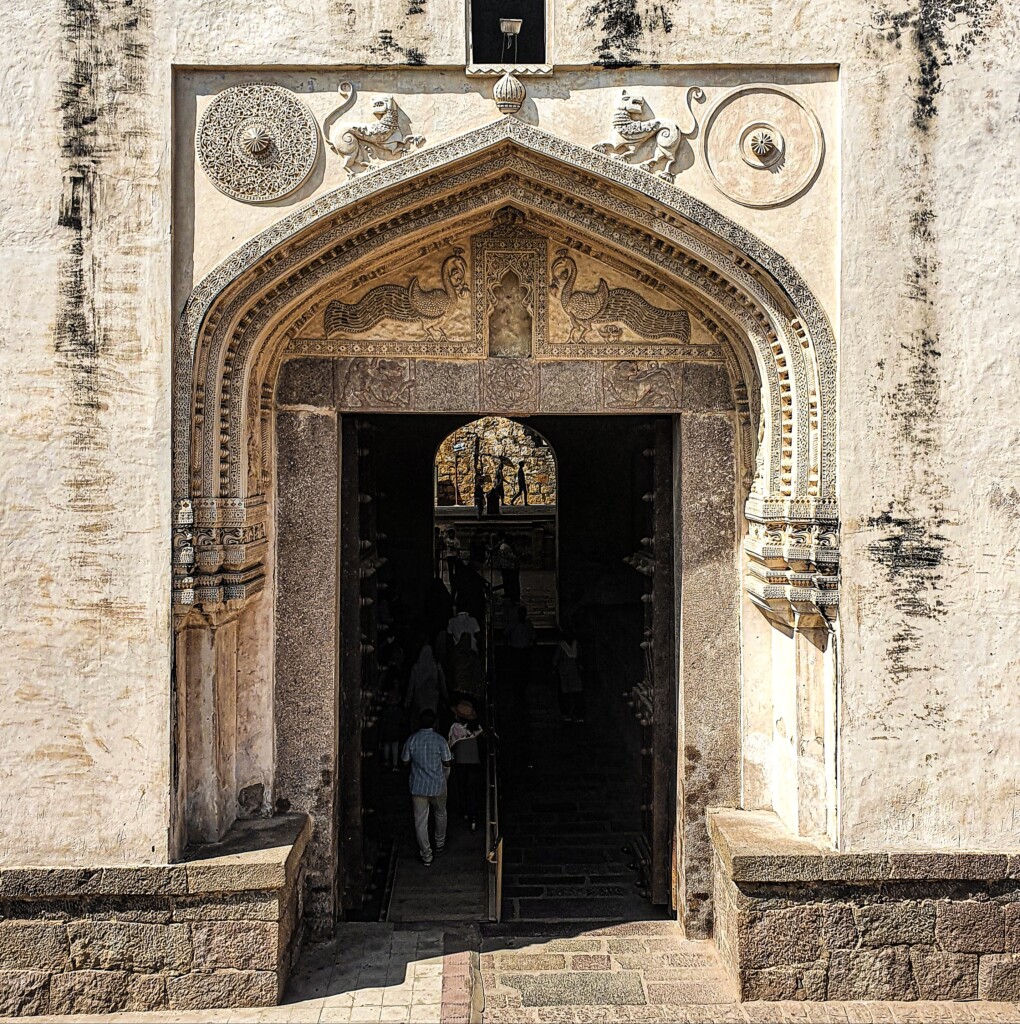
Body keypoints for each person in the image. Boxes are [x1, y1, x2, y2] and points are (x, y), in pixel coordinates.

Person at [401, 709, 453, 866]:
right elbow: (447, 762)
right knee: (441, 814)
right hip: (437, 785)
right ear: (435, 723)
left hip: (418, 786)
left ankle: (426, 855)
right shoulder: (440, 740)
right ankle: (440, 844)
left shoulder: (412, 740)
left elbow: (404, 761)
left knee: (420, 821)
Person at [448, 701, 484, 832]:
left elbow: (450, 745)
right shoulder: (477, 728)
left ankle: (465, 812)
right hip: (475, 763)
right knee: (473, 790)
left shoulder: (455, 728)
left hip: (461, 763)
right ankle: (473, 816)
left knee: (462, 789)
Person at [404, 641, 448, 724]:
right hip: (434, 697)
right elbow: (443, 683)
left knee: (419, 720)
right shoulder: (436, 666)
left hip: (419, 697)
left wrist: (407, 701)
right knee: (432, 719)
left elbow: (411, 685)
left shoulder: (416, 667)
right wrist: (446, 696)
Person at [504, 604, 535, 706]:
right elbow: (506, 633)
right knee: (516, 671)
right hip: (516, 650)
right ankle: (517, 690)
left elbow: (533, 636)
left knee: (524, 671)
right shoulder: (513, 624)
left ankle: (522, 688)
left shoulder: (528, 624)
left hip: (525, 650)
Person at [553, 629, 584, 723]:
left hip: (573, 672)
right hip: (565, 672)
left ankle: (577, 712)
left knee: (576, 693)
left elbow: (580, 656)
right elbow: (556, 659)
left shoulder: (576, 644)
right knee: (565, 692)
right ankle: (566, 712)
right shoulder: (562, 646)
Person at [378, 685, 403, 772]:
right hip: (395, 731)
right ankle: (394, 765)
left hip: (387, 731)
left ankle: (386, 761)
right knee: (394, 748)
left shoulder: (385, 711)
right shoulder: (398, 711)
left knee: (387, 746)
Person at [495, 533, 520, 605]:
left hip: (510, 567)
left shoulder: (505, 546)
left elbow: (512, 557)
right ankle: (509, 593)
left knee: (512, 582)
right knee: (509, 581)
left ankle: (513, 596)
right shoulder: (505, 546)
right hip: (507, 566)